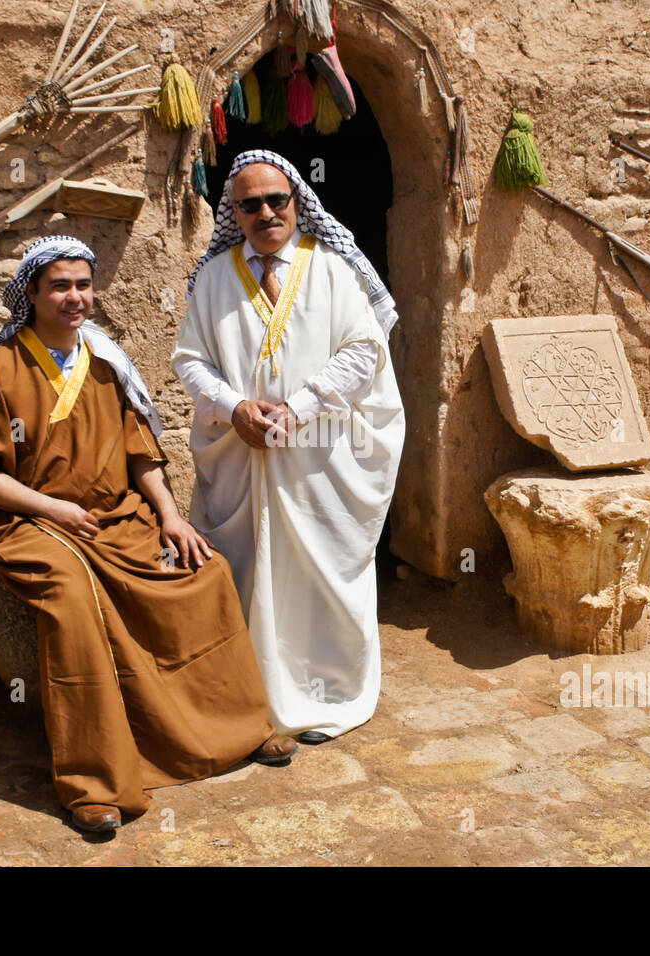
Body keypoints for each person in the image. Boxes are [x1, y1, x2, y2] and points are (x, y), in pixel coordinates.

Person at [0, 235, 296, 834]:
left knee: (203, 572)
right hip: (31, 522)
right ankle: (95, 782)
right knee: (74, 602)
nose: (74, 297)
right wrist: (53, 511)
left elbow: (141, 454)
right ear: (32, 293)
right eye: (60, 285)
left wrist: (169, 514)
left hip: (115, 515)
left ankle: (238, 731)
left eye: (83, 285)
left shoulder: (106, 362)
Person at [172, 150, 405, 744]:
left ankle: (329, 696)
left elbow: (363, 352)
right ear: (235, 212)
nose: (266, 212)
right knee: (248, 573)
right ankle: (252, 696)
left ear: (297, 202)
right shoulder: (216, 275)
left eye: (277, 200)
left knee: (324, 574)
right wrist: (234, 407)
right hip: (243, 455)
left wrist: (297, 410)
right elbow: (191, 361)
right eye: (249, 204)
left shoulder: (332, 268)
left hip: (319, 460)